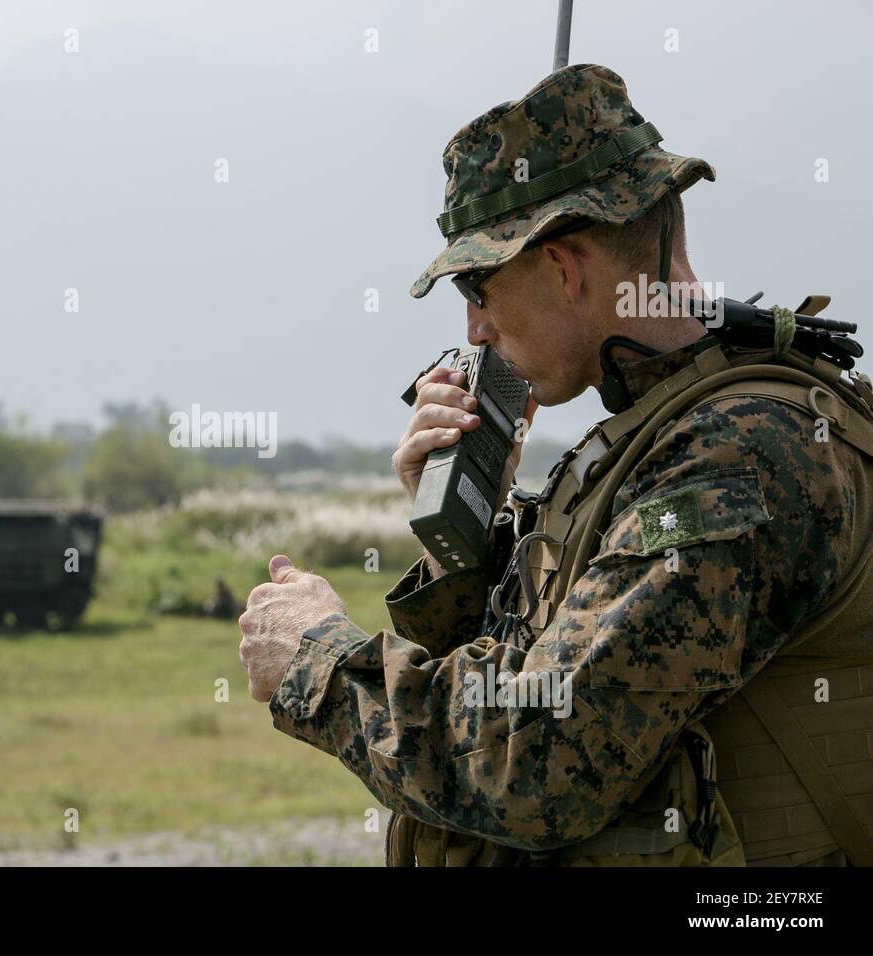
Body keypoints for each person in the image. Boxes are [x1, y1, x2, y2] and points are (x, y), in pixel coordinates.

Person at [239, 64, 873, 866]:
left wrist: (320, 662)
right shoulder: (655, 433)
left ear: (564, 267)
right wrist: (459, 536)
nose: (473, 331)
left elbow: (533, 762)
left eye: (478, 288)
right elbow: (532, 664)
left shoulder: (735, 460)